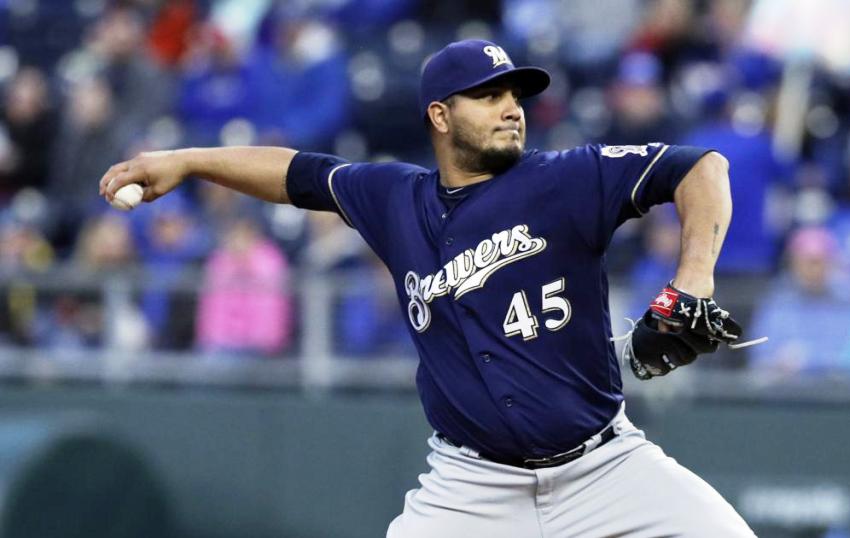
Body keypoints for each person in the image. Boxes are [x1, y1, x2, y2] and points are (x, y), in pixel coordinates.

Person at [100, 39, 755, 537]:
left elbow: (700, 167)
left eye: (515, 94)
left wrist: (692, 282)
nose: (510, 108)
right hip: (470, 486)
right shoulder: (394, 198)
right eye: (489, 95)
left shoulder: (567, 179)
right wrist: (187, 160)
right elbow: (296, 174)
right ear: (440, 115)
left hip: (605, 469)